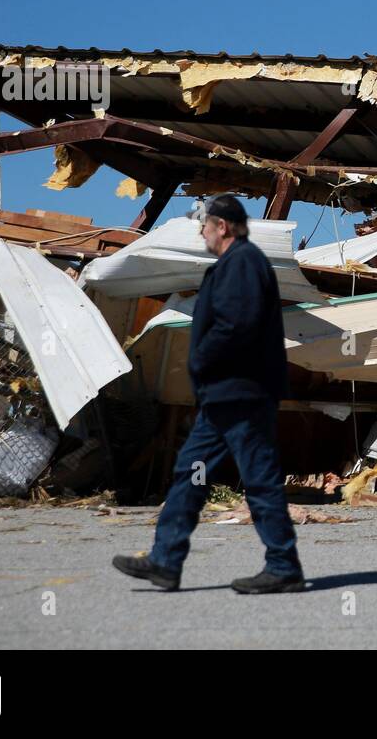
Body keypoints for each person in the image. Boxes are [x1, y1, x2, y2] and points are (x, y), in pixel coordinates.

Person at [112, 194, 304, 593]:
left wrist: (201, 360)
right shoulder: (231, 265)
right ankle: (165, 561)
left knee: (259, 478)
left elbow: (237, 324)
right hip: (224, 396)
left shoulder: (244, 262)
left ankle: (283, 566)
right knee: (191, 474)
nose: (201, 230)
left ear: (223, 227)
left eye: (205, 223)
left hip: (242, 393)